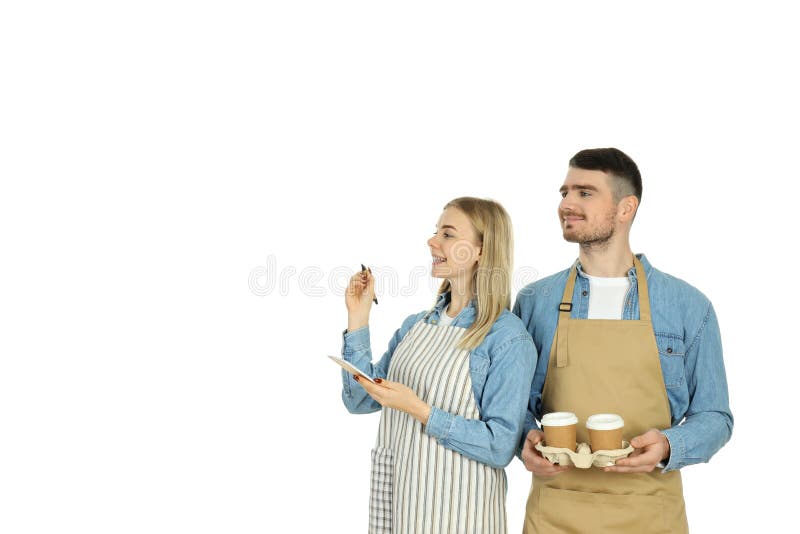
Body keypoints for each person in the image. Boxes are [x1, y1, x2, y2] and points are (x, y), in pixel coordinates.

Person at [513, 148, 733, 533]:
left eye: (584, 193)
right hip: (555, 511)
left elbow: (715, 417)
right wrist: (522, 442)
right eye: (564, 192)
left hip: (650, 513)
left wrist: (668, 446)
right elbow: (510, 404)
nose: (566, 204)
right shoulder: (534, 302)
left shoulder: (687, 305)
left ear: (625, 208)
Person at [339, 197, 537, 534]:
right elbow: (359, 400)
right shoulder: (416, 325)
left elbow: (501, 444)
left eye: (447, 234)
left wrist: (420, 410)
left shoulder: (506, 338)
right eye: (436, 232)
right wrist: (358, 318)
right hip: (401, 507)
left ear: (481, 250)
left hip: (461, 515)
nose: (432, 242)